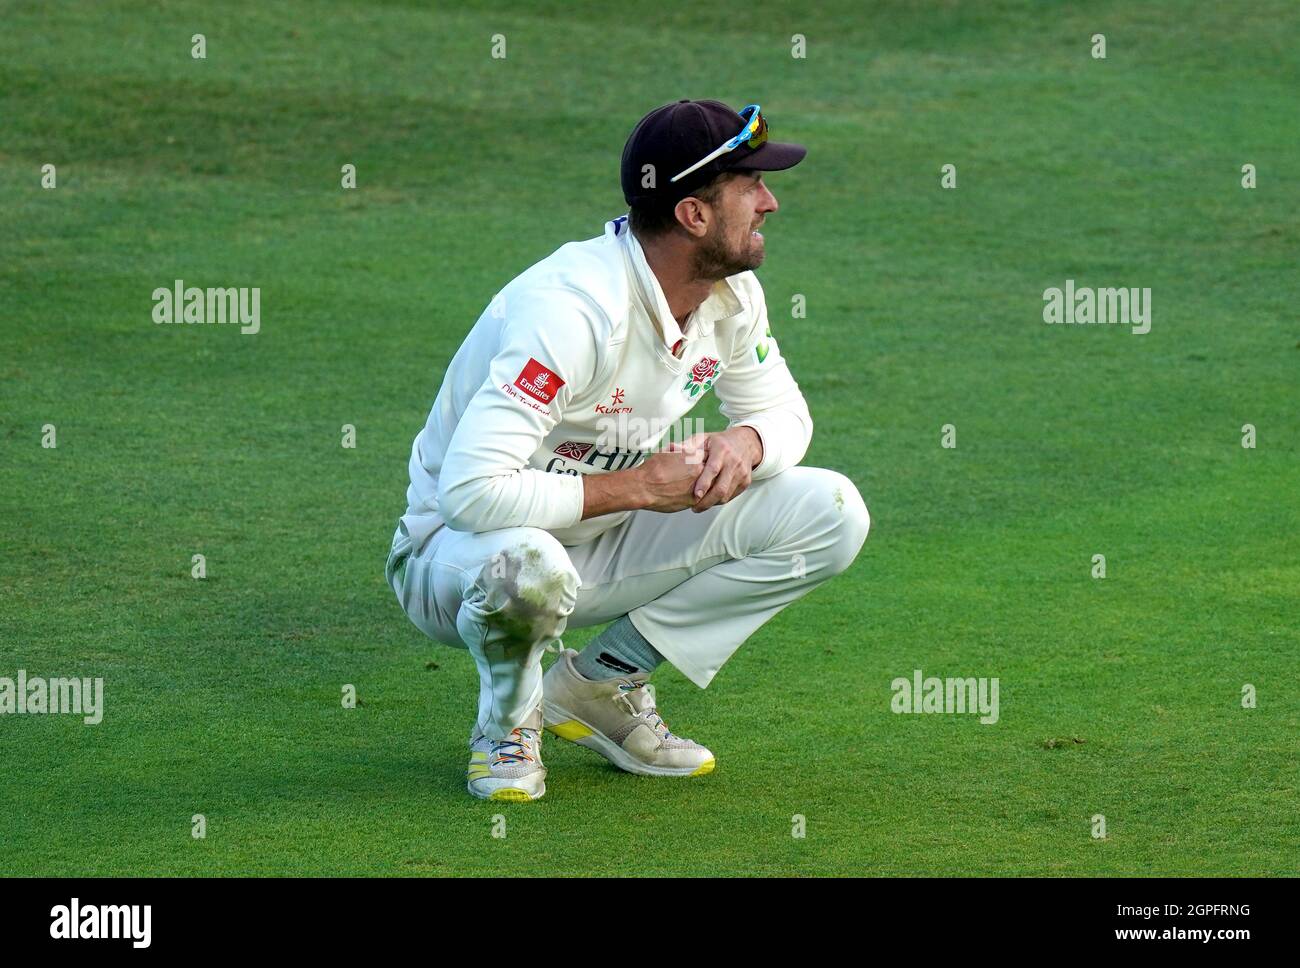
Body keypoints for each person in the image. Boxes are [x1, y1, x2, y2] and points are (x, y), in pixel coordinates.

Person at [386, 99, 870, 801]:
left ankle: (602, 684)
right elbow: (470, 494)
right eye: (750, 186)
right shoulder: (571, 311)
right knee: (530, 565)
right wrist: (642, 486)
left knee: (828, 512)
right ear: (693, 215)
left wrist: (746, 441)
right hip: (457, 559)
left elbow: (783, 414)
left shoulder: (730, 293)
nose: (770, 201)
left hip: (599, 541)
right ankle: (506, 727)